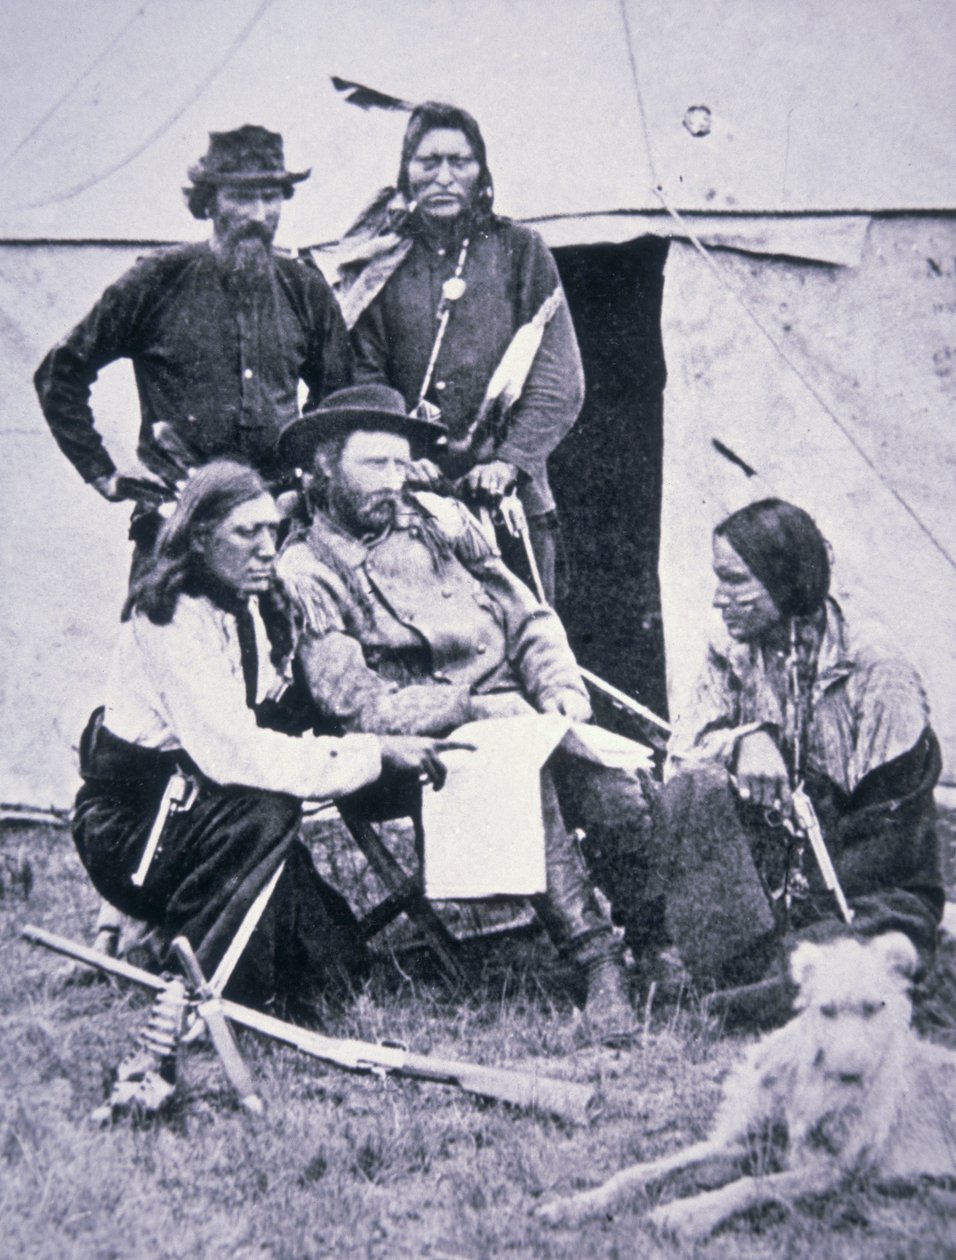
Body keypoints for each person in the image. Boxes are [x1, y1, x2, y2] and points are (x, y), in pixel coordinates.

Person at [274, 384, 662, 1046]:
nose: (393, 482)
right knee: (518, 768)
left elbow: (529, 619)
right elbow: (358, 707)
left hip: (518, 716)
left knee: (610, 781)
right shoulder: (306, 570)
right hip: (413, 754)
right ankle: (596, 962)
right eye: (374, 466)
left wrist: (560, 690)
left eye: (400, 465)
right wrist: (476, 709)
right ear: (323, 469)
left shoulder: (440, 524)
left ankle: (656, 942)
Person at [75, 459, 464, 1117]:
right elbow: (238, 756)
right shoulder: (166, 616)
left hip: (204, 813)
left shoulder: (253, 607)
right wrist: (378, 752)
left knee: (335, 973)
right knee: (267, 806)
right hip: (135, 827)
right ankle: (188, 1000)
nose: (265, 548)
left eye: (271, 530)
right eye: (244, 533)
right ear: (198, 538)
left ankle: (177, 938)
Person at [661, 498, 944, 1026]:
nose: (719, 599)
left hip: (865, 892)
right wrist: (744, 741)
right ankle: (761, 982)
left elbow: (894, 842)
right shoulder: (731, 650)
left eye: (735, 581)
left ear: (785, 579)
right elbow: (682, 755)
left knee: (849, 953)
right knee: (695, 789)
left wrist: (805, 908)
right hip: (768, 888)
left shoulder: (876, 670)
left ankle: (750, 989)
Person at [35, 124, 352, 558]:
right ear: (209, 203)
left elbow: (338, 396)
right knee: (167, 625)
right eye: (241, 197)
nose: (259, 215)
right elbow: (60, 373)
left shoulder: (305, 287)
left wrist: (304, 479)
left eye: (271, 197)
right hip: (178, 525)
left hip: (276, 530)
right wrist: (103, 470)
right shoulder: (156, 280)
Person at [332, 101, 584, 601]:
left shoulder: (520, 250)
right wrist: (401, 460)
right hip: (407, 499)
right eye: (428, 162)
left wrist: (508, 462)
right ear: (406, 172)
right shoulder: (382, 259)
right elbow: (364, 376)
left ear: (481, 172)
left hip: (508, 501)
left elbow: (560, 376)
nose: (444, 176)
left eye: (459, 162)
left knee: (530, 645)